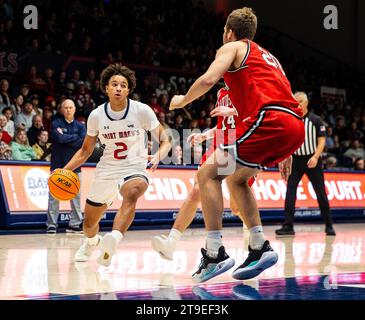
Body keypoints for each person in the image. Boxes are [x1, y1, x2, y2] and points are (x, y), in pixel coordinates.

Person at [170, 7, 304, 283]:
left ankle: (215, 252)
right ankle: (258, 247)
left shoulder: (232, 47)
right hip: (292, 125)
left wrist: (182, 100)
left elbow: (209, 79)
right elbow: (283, 96)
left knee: (207, 173)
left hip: (270, 120)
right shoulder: (270, 57)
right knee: (236, 179)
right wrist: (286, 149)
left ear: (229, 32)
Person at [61, 64, 170, 266]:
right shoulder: (96, 115)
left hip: (134, 168)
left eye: (123, 85)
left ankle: (114, 238)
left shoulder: (142, 110)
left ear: (129, 89)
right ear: (106, 88)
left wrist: (158, 155)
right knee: (89, 224)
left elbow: (166, 139)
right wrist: (64, 171)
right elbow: (85, 151)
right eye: (114, 84)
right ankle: (92, 241)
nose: (119, 88)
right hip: (106, 170)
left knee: (132, 192)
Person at [152, 88, 254, 261]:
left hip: (241, 144)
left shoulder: (247, 85)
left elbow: (260, 112)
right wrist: (207, 134)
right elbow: (224, 124)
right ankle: (171, 243)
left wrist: (234, 110)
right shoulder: (222, 92)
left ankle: (252, 233)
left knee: (237, 207)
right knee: (197, 191)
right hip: (219, 144)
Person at [275, 92, 336, 236]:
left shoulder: (316, 120)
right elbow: (286, 140)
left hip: (312, 160)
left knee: (320, 193)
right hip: (295, 161)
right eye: (296, 101)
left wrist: (316, 156)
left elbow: (322, 141)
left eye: (301, 101)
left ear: (307, 103)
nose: (298, 104)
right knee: (290, 192)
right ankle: (288, 226)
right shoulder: (291, 119)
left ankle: (329, 225)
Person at [46, 99, 86, 234]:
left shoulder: (81, 126)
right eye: (66, 107)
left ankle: (74, 224)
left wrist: (67, 138)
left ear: (74, 109)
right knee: (54, 196)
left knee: (76, 196)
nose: (68, 110)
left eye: (70, 107)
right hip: (58, 165)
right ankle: (51, 224)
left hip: (76, 166)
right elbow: (59, 139)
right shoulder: (55, 123)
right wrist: (73, 138)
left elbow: (82, 143)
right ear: (62, 110)